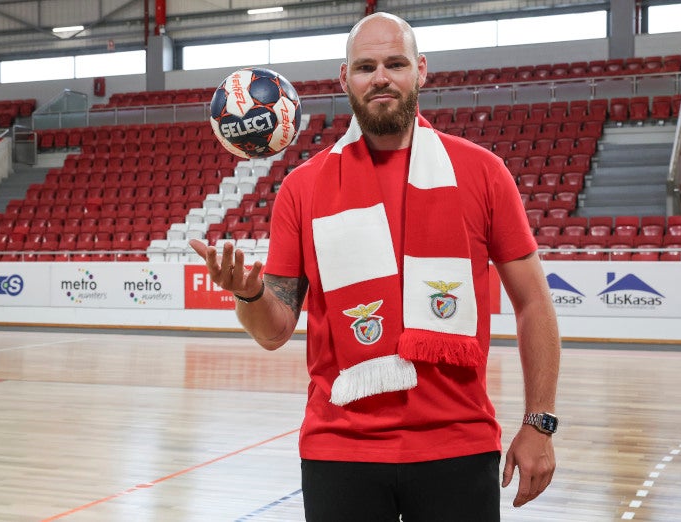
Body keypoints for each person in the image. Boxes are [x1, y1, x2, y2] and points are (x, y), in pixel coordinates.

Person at [190, 11, 560, 521]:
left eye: (395, 63)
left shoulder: (481, 172)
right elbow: (274, 332)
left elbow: (533, 302)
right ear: (345, 78)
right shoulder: (303, 188)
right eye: (365, 67)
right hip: (339, 452)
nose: (380, 77)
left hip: (458, 444)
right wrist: (248, 295)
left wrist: (539, 424)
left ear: (421, 70)